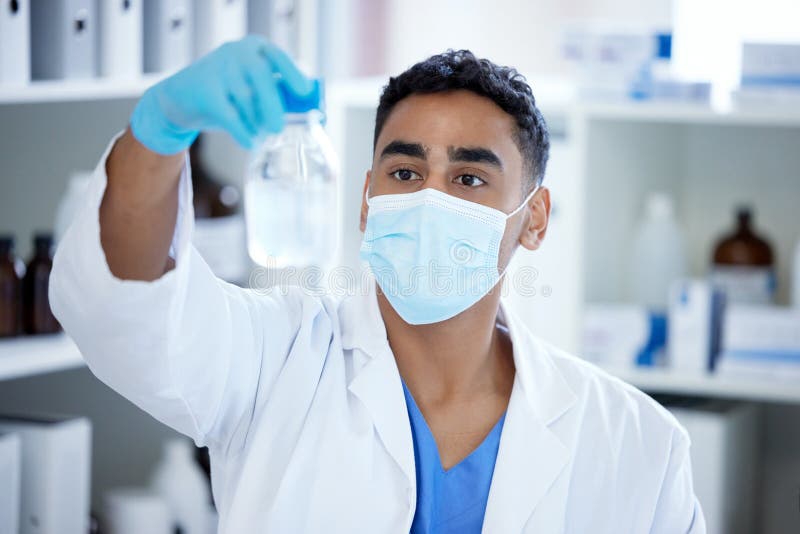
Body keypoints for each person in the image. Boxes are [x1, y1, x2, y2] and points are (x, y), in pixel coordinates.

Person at [50, 35, 705, 533]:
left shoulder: (636, 445)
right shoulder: (274, 360)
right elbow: (127, 306)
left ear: (533, 219)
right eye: (404, 173)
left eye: (470, 178)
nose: (430, 198)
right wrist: (161, 129)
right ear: (366, 200)